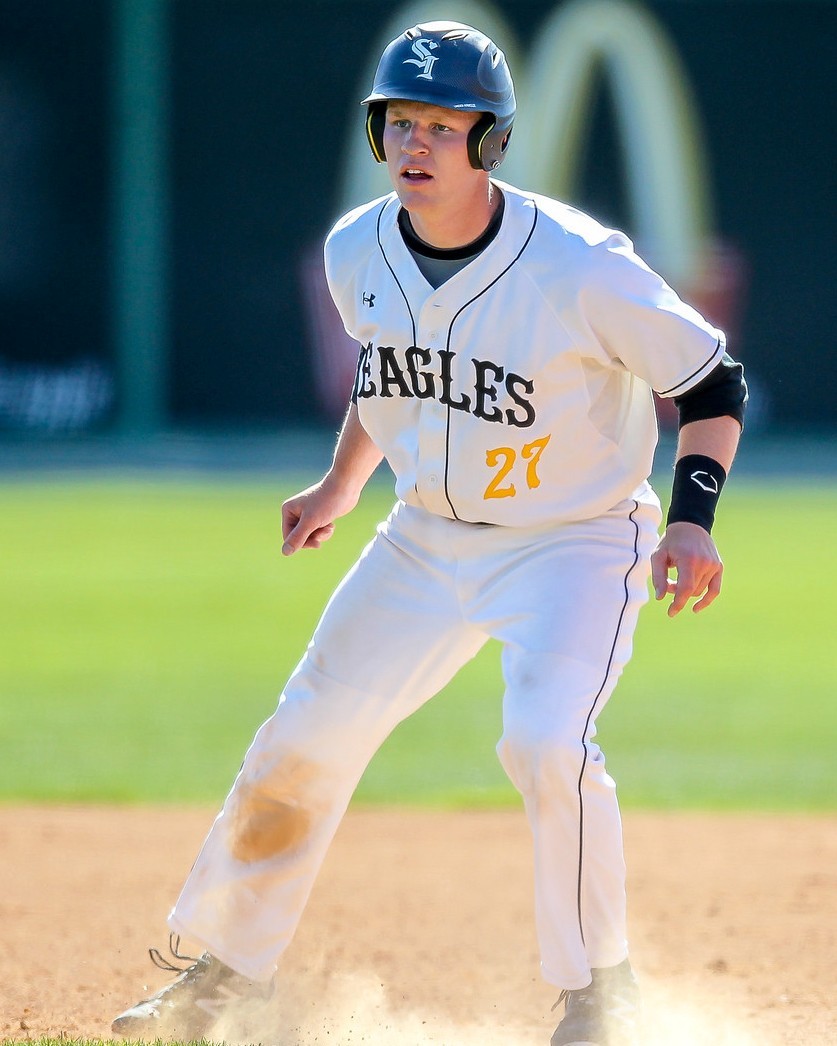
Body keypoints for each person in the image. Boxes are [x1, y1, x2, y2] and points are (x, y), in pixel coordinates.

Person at [111, 21, 746, 1046]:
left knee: (545, 742)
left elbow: (713, 381)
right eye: (399, 122)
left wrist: (691, 521)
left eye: (443, 127)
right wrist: (340, 483)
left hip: (573, 542)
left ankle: (601, 993)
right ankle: (225, 979)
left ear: (490, 141)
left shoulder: (579, 266)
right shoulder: (356, 248)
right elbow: (393, 377)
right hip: (425, 534)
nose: (415, 144)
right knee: (305, 733)